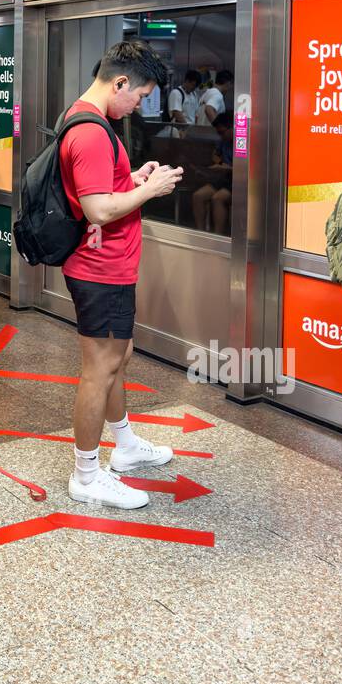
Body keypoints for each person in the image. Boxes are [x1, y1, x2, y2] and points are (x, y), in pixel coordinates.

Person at [58, 42, 184, 509]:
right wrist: (148, 190)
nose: (139, 106)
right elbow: (97, 208)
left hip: (108, 266)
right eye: (139, 96)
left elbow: (102, 190)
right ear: (120, 83)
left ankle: (125, 446)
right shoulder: (92, 132)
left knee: (118, 357)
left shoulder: (91, 122)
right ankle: (86, 475)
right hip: (100, 269)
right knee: (99, 369)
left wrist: (132, 179)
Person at [192, 113, 233, 234]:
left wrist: (229, 168)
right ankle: (201, 233)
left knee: (217, 198)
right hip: (224, 178)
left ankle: (218, 236)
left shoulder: (242, 142)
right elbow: (215, 154)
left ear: (232, 128)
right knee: (198, 196)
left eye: (222, 132)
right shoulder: (223, 141)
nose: (221, 136)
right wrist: (220, 163)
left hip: (237, 182)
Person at [166, 70, 200, 134]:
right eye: (193, 85)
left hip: (190, 129)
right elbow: (177, 113)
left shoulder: (194, 94)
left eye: (195, 86)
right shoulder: (176, 93)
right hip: (178, 130)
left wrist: (195, 128)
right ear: (187, 81)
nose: (193, 88)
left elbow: (196, 114)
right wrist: (187, 128)